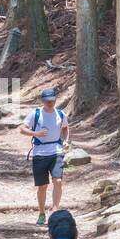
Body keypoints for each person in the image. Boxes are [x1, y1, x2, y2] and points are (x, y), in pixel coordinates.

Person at [18, 88, 69, 226]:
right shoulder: (35, 114)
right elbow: (22, 129)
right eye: (47, 101)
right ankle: (41, 213)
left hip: (56, 151)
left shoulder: (60, 114)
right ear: (43, 101)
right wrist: (36, 133)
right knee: (42, 186)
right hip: (39, 153)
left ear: (55, 100)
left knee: (58, 181)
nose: (50, 103)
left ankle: (55, 209)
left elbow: (65, 128)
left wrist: (65, 141)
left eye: (52, 101)